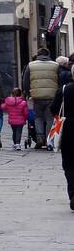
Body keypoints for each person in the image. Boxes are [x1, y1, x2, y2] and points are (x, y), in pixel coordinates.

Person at [22, 47, 60, 150]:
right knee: (49, 118)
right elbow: (59, 80)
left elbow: (26, 81)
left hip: (36, 95)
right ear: (48, 54)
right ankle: (49, 140)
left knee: (38, 116)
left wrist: (27, 92)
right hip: (52, 95)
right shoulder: (56, 65)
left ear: (38, 55)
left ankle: (39, 137)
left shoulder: (31, 65)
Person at [60, 81, 74, 209]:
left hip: (69, 129)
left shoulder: (65, 89)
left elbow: (54, 108)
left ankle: (73, 194)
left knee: (69, 164)